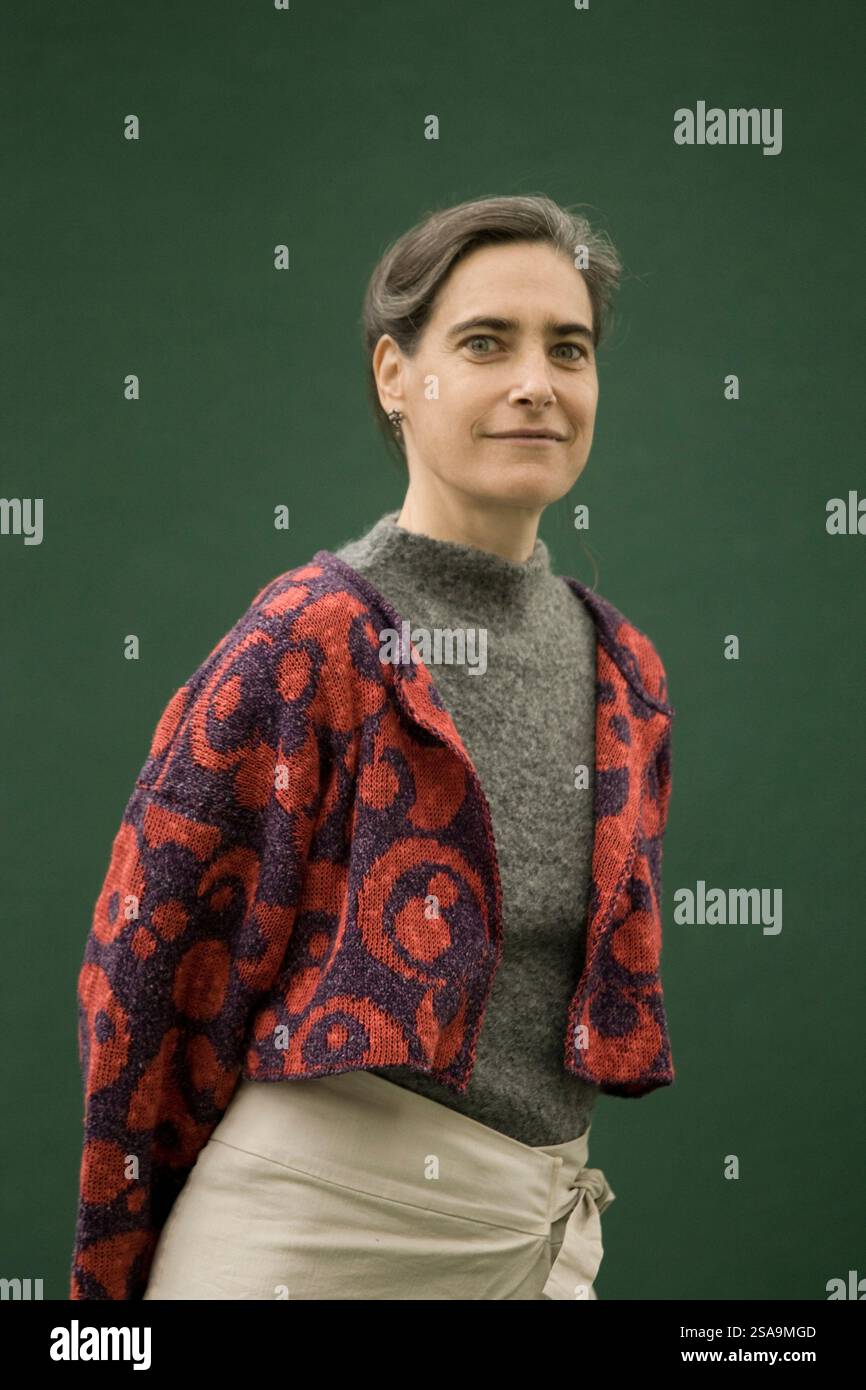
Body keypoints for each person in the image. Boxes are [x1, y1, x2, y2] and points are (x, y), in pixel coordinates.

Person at [70, 193, 675, 1301]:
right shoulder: (306, 641)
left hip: (537, 1241)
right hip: (304, 1246)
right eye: (485, 343)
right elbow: (144, 970)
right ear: (397, 377)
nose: (535, 382)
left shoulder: (624, 671)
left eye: (569, 348)